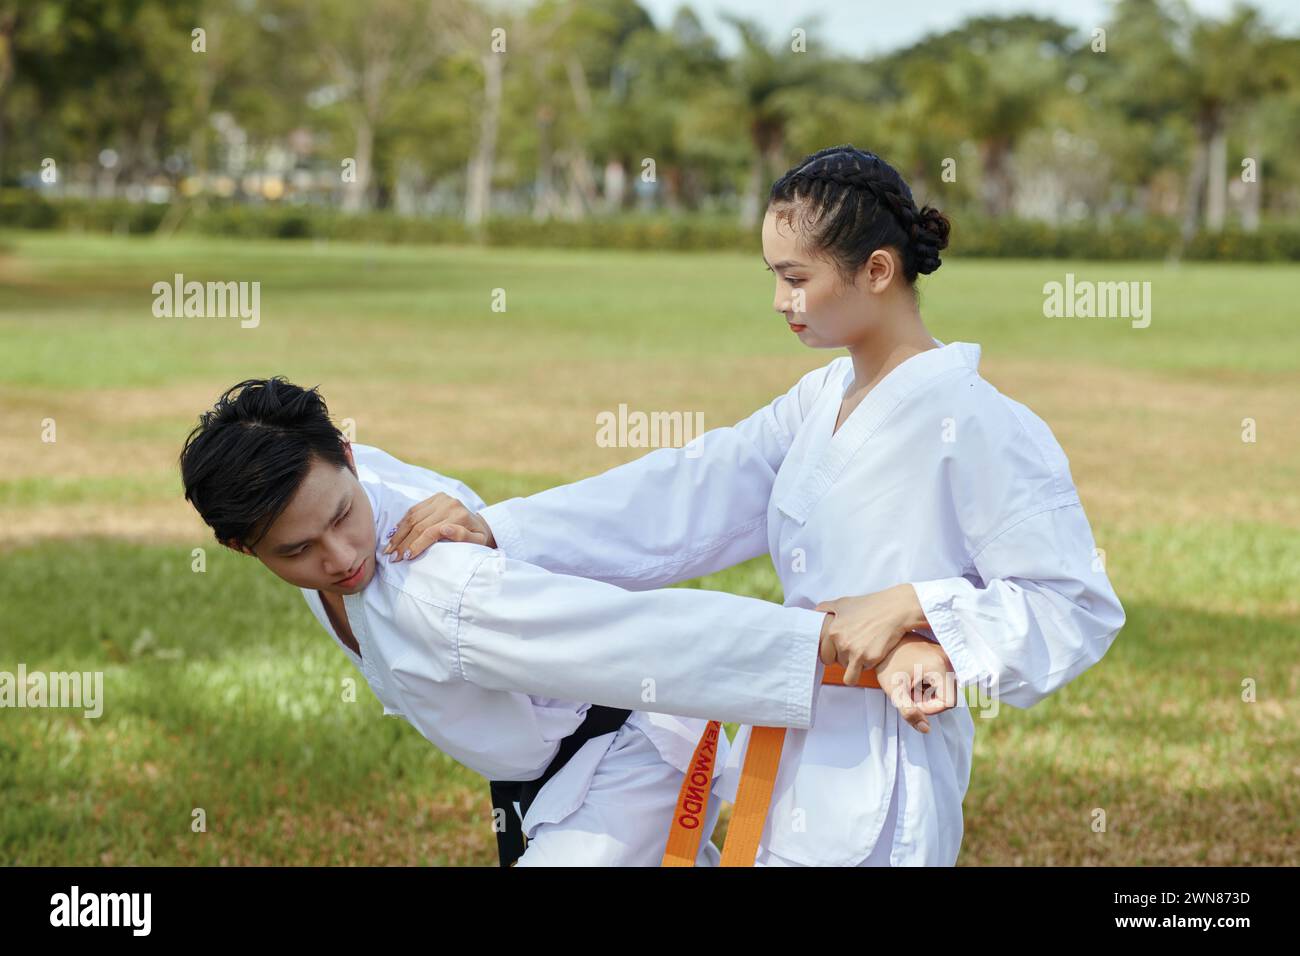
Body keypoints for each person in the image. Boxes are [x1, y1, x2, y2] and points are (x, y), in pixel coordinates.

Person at [385, 145, 1126, 866]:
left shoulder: (979, 421)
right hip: (786, 733)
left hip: (890, 769)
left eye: (796, 278)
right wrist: (503, 530)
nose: (780, 301)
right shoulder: (821, 399)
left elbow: (1074, 606)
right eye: (773, 276)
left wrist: (912, 606)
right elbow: (688, 493)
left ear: (876, 270)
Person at [179, 375, 956, 866]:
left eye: (344, 516)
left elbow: (633, 637)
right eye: (299, 550)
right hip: (552, 763)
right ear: (241, 547)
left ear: (349, 455)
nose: (344, 555)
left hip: (622, 749)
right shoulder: (326, 476)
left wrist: (840, 644)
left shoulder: (434, 589)